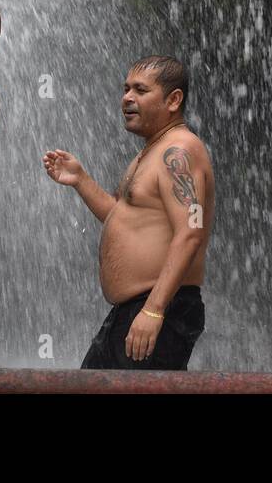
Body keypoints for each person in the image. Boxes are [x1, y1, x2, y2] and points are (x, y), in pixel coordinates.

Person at [43, 55, 214, 370]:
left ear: (174, 100)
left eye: (140, 90)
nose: (127, 98)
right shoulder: (150, 152)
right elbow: (123, 218)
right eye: (125, 89)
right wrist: (81, 180)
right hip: (133, 309)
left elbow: (191, 233)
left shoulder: (179, 151)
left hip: (162, 306)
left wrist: (154, 309)